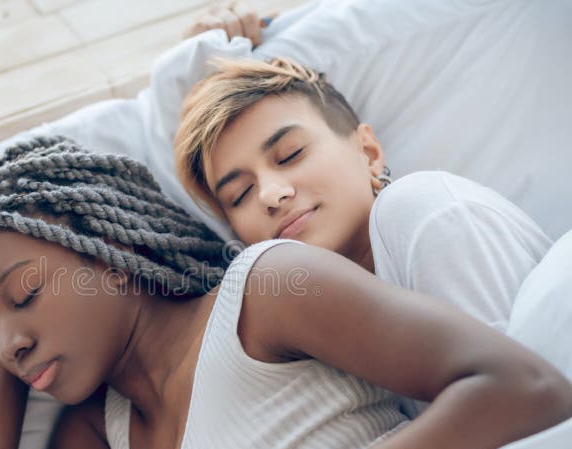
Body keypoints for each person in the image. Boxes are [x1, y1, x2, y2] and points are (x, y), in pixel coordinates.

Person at [0, 135, 572, 449]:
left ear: (109, 247)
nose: (8, 343)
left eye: (25, 293)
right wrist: (2, 344)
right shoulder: (105, 434)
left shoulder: (263, 292)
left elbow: (524, 386)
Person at [173, 55, 557, 415]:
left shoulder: (420, 208)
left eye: (290, 155)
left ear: (369, 152)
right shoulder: (311, 338)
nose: (271, 195)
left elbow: (521, 410)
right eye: (240, 195)